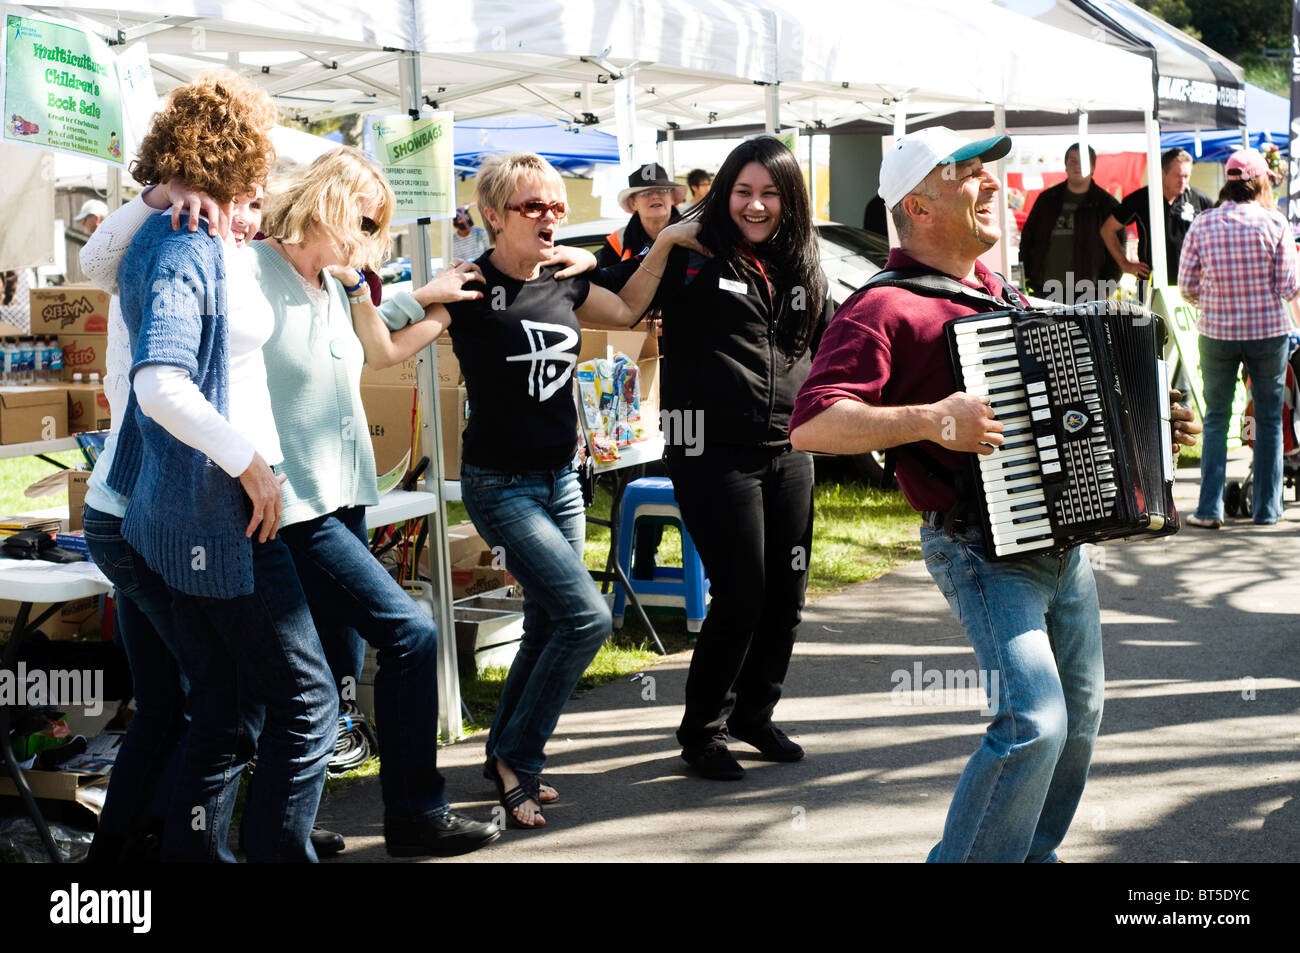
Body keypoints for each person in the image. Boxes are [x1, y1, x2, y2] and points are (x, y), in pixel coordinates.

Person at [789, 126, 1199, 862]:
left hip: (1061, 542)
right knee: (1033, 718)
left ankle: (1027, 853)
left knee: (1078, 716)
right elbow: (814, 424)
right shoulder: (881, 308)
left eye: (989, 173)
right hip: (980, 547)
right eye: (969, 175)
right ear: (916, 205)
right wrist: (930, 419)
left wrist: (1138, 423)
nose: (991, 186)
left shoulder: (998, 293)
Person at [350, 151, 701, 828]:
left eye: (555, 206)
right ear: (491, 216)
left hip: (563, 477)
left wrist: (655, 246)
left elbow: (629, 309)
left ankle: (503, 752)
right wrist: (388, 291)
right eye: (531, 206)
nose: (548, 217)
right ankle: (519, 755)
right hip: (498, 485)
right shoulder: (472, 287)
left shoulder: (566, 276)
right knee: (587, 617)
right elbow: (387, 351)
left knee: (548, 620)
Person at [100, 71, 340, 863]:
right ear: (230, 157)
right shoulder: (177, 243)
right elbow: (161, 382)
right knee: (301, 702)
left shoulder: (202, 238)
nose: (267, 182)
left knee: (226, 710)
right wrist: (252, 466)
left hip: (192, 505)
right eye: (259, 162)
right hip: (210, 507)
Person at [650, 136, 833, 781]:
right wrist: (664, 241)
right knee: (742, 591)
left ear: (790, 201)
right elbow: (624, 297)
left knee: (787, 591)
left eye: (770, 194)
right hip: (711, 448)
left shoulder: (801, 262)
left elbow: (822, 342)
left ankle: (754, 714)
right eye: (744, 192)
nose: (756, 206)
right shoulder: (693, 254)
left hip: (789, 445)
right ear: (725, 193)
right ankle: (702, 732)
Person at [1179, 147, 1299, 528]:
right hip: (1268, 333)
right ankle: (1267, 510)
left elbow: (1185, 285)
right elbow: (1288, 285)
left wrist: (1211, 298)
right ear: (1261, 181)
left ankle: (1209, 509)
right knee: (1269, 421)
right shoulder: (1276, 224)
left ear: (1228, 184)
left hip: (1217, 332)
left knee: (1216, 419)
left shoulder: (1203, 222)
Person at [1018, 142, 1122, 301]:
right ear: (1065, 166)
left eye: (1083, 161)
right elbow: (1027, 239)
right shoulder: (1046, 200)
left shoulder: (1107, 205)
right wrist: (1026, 278)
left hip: (1088, 292)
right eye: (1072, 160)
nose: (1077, 166)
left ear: (1093, 167)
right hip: (1043, 289)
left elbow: (1118, 252)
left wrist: (1106, 289)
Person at [1100, 147, 1212, 288]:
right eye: (1177, 176)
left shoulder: (1201, 201)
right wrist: (1125, 264)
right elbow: (1107, 229)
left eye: (1186, 176)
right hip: (1150, 282)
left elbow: (1214, 239)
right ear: (1163, 173)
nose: (1182, 181)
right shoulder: (1141, 198)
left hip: (1190, 284)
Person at [599, 163, 686, 267]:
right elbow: (604, 281)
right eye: (645, 192)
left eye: (662, 190)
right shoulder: (618, 241)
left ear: (672, 198)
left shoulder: (694, 231)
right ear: (633, 203)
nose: (655, 196)